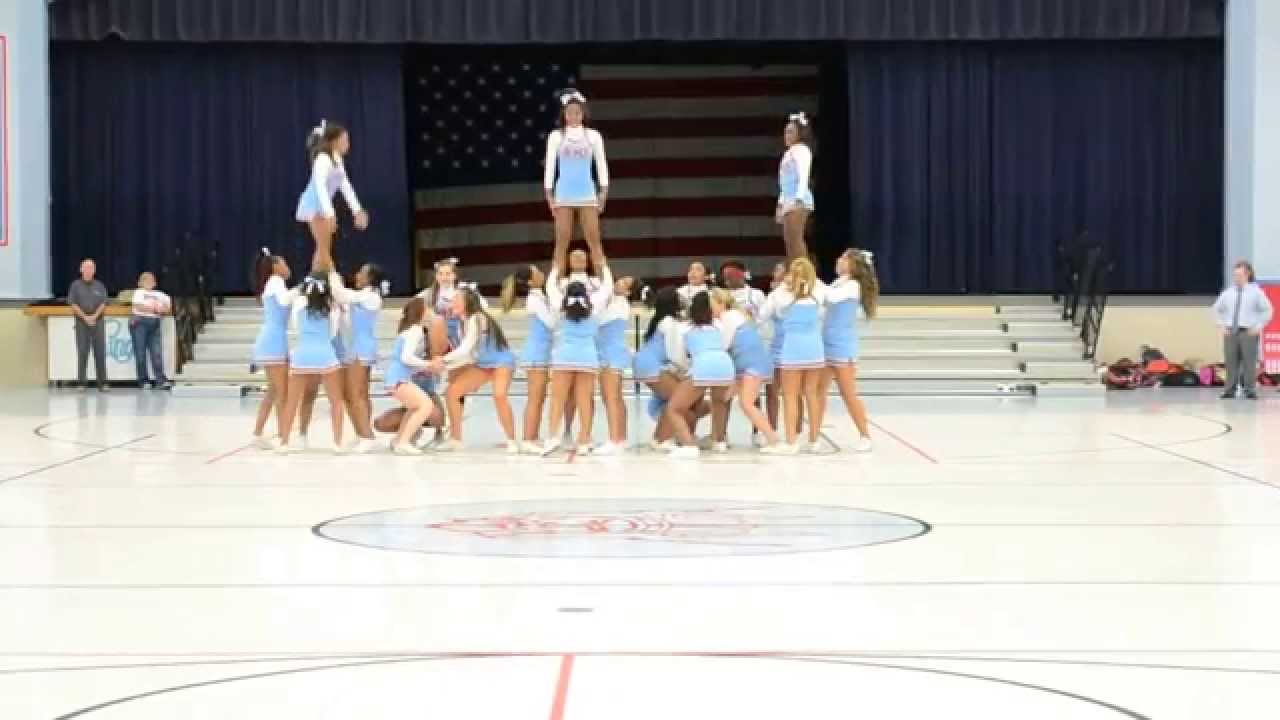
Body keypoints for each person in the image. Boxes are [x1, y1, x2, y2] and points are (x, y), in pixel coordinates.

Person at [542, 261, 615, 456]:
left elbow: (550, 288)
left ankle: (553, 437)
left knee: (557, 399)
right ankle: (583, 440)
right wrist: (604, 268)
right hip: (587, 358)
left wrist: (556, 269)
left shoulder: (560, 307)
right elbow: (607, 288)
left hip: (564, 357)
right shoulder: (595, 308)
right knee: (584, 400)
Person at [439, 285, 519, 453]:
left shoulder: (477, 318)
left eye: (456, 300)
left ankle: (512, 440)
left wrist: (443, 360)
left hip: (501, 362)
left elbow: (466, 348)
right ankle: (456, 439)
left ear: (467, 302)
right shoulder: (463, 323)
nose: (452, 303)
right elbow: (469, 356)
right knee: (452, 393)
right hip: (482, 364)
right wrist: (444, 366)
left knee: (499, 396)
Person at [275, 272, 348, 454]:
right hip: (325, 353)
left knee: (292, 401)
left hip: (303, 354)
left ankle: (284, 442)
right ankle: (337, 443)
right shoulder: (332, 307)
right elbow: (333, 333)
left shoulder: (299, 304)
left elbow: (296, 327)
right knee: (336, 401)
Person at [761, 257, 825, 454]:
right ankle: (814, 440)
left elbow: (761, 316)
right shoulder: (819, 291)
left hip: (793, 348)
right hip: (815, 347)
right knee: (812, 395)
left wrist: (782, 286)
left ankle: (791, 442)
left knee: (789, 396)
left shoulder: (780, 295)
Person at [665, 292, 736, 458]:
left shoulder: (683, 328)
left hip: (703, 364)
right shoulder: (718, 324)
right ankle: (719, 442)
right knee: (719, 403)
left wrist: (686, 368)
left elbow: (676, 356)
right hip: (725, 363)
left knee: (674, 409)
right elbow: (725, 343)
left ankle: (689, 444)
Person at [544, 89, 610, 267]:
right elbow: (550, 167)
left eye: (577, 113)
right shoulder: (556, 136)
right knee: (561, 243)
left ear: (583, 114)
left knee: (594, 242)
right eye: (569, 113)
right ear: (564, 114)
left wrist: (602, 193)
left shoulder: (593, 136)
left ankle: (605, 283)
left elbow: (601, 165)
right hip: (564, 194)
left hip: (587, 193)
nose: (573, 116)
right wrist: (549, 196)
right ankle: (555, 285)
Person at [821, 249, 876, 452]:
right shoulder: (839, 282)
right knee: (818, 391)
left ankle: (865, 435)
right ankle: (814, 433)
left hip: (842, 345)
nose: (838, 259)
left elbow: (831, 298)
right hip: (827, 341)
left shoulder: (853, 286)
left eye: (843, 257)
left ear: (853, 264)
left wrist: (812, 281)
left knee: (848, 393)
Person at [296, 120, 368, 272]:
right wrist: (329, 214)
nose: (348, 144)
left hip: (322, 206)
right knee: (323, 248)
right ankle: (327, 282)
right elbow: (319, 187)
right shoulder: (322, 160)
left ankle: (320, 283)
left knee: (324, 248)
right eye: (345, 140)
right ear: (334, 142)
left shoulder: (336, 159)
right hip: (313, 205)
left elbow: (345, 185)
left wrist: (357, 210)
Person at [330, 264, 387, 453]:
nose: (356, 275)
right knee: (351, 393)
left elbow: (342, 294)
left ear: (370, 278)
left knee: (357, 393)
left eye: (361, 272)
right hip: (353, 347)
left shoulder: (371, 297)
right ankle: (361, 431)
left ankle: (367, 436)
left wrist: (331, 273)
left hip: (362, 348)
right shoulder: (362, 296)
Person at [502, 264, 557, 452]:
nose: (543, 273)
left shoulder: (541, 297)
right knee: (535, 397)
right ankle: (527, 438)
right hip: (536, 353)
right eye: (538, 273)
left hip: (542, 352)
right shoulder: (534, 300)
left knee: (540, 397)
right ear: (531, 281)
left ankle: (533, 435)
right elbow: (550, 322)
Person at [714, 288, 778, 449]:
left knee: (746, 403)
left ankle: (772, 439)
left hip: (751, 365)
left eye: (711, 304)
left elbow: (723, 344)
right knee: (723, 397)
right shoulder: (735, 315)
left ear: (721, 303)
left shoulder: (729, 317)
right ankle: (716, 436)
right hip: (744, 365)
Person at [381, 298, 443, 456]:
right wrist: (428, 364)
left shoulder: (410, 330)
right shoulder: (415, 331)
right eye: (427, 308)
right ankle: (403, 442)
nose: (430, 311)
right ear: (421, 312)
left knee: (415, 407)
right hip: (399, 378)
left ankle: (399, 440)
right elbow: (406, 358)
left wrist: (425, 366)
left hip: (397, 378)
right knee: (426, 406)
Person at [250, 250, 296, 449]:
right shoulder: (276, 281)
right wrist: (304, 288)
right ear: (276, 266)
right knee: (282, 393)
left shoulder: (275, 283)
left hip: (274, 338)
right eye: (284, 262)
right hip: (273, 340)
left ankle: (258, 433)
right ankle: (281, 436)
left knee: (273, 392)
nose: (288, 266)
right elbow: (285, 300)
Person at [1213, 260, 1274, 400]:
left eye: (1239, 275)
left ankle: (1250, 390)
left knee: (1249, 362)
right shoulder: (1228, 293)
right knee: (1231, 362)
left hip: (1248, 331)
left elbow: (1268, 310)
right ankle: (1229, 390)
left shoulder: (1256, 292)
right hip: (1230, 331)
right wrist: (1221, 325)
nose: (1236, 278)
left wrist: (1258, 327)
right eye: (1235, 275)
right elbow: (1216, 309)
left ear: (1247, 275)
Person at [596, 274, 636, 455]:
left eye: (624, 283)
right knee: (615, 397)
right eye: (620, 279)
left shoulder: (619, 305)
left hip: (611, 353)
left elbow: (598, 319)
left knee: (611, 397)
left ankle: (614, 439)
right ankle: (621, 438)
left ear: (628, 292)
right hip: (609, 352)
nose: (618, 281)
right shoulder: (614, 302)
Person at [776, 112, 814, 262]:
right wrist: (780, 203)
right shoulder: (788, 153)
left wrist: (798, 198)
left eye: (791, 132)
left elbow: (804, 175)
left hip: (799, 198)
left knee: (796, 239)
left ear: (800, 133)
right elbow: (783, 181)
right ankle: (794, 272)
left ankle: (804, 274)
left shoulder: (802, 150)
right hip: (788, 199)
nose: (787, 135)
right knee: (789, 242)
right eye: (786, 132)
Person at [67, 258, 110, 392]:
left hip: (98, 321)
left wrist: (94, 316)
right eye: (86, 267)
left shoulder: (100, 285)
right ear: (81, 269)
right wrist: (85, 317)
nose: (88, 270)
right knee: (83, 352)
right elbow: (73, 304)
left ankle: (103, 383)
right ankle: (81, 382)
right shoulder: (75, 286)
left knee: (100, 352)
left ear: (94, 270)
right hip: (81, 322)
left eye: (91, 267)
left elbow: (103, 303)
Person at [129, 271, 172, 390]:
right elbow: (138, 306)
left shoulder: (160, 294)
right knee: (140, 353)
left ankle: (160, 380)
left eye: (151, 280)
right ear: (140, 282)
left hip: (155, 324)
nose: (148, 282)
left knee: (156, 353)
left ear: (154, 282)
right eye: (145, 280)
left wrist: (161, 310)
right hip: (140, 323)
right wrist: (155, 309)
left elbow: (167, 307)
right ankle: (143, 380)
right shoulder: (138, 292)